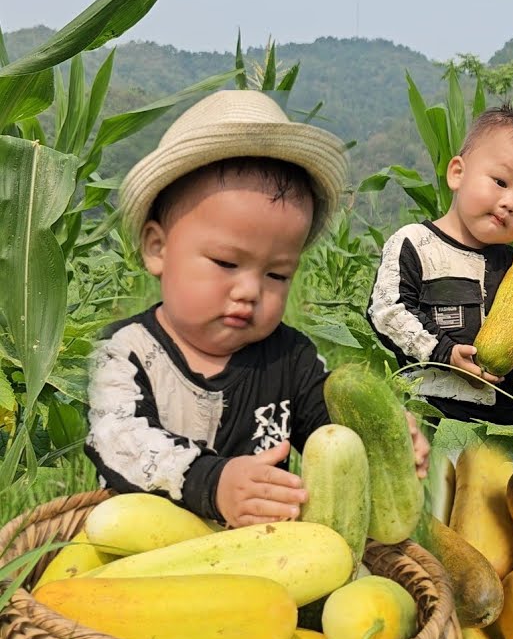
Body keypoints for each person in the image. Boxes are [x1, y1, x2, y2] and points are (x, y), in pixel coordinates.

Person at [86, 90, 429, 528]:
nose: (250, 290)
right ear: (158, 249)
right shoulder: (122, 354)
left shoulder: (291, 360)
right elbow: (119, 440)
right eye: (227, 263)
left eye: (277, 274)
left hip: (264, 568)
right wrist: (213, 483)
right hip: (143, 567)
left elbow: (330, 426)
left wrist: (381, 436)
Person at [367, 106, 513, 428]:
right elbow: (388, 311)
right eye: (500, 181)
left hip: (508, 417)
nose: (510, 203)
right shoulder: (415, 243)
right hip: (434, 411)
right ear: (458, 173)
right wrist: (443, 352)